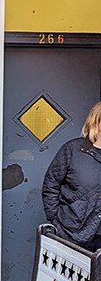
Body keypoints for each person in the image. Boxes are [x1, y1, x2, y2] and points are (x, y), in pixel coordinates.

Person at [42, 102, 101, 251]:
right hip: (74, 236)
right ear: (97, 121)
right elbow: (51, 185)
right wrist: (56, 221)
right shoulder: (73, 150)